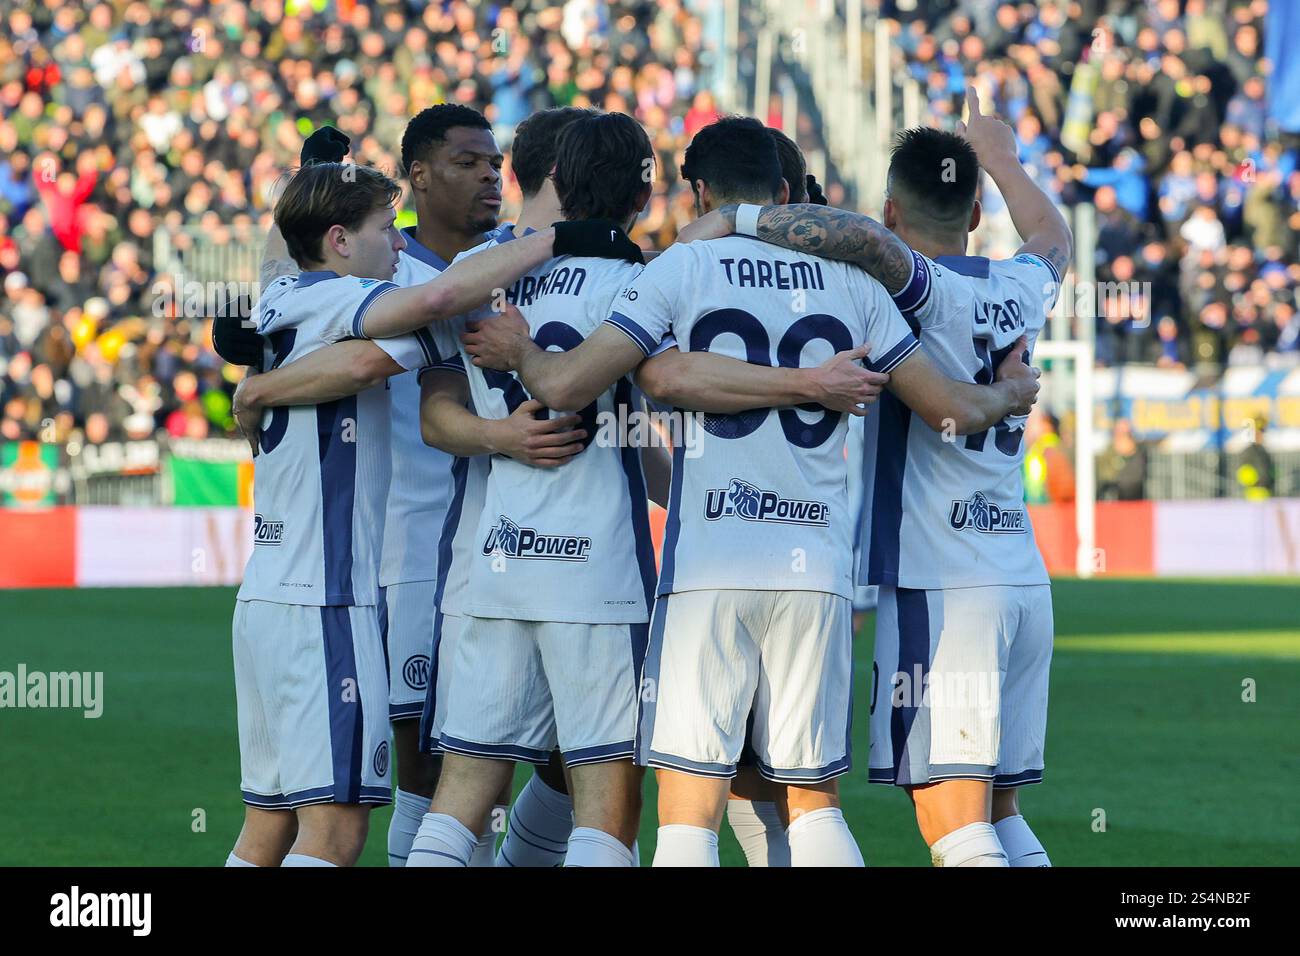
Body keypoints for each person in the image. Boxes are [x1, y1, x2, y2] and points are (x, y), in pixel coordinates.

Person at [464, 115, 1040, 866]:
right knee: (811, 804)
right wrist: (1011, 392)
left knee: (686, 815)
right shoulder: (858, 282)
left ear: (699, 192)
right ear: (783, 192)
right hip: (816, 573)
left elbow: (573, 382)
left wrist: (522, 349)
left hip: (710, 566)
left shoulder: (676, 269)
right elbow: (951, 409)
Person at [681, 87, 1068, 867]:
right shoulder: (1020, 288)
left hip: (941, 584)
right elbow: (1054, 233)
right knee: (1002, 816)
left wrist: (733, 219)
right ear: (979, 216)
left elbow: (857, 238)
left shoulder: (918, 289)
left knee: (956, 827)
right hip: (1023, 580)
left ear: (893, 214)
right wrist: (1000, 158)